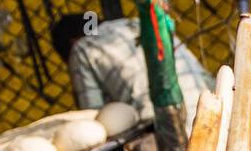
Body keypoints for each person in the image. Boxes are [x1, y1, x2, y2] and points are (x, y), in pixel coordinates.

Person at [50, 13, 214, 127]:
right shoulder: (138, 22)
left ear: (71, 44)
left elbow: (94, 121)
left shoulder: (81, 49)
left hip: (166, 126)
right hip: (213, 108)